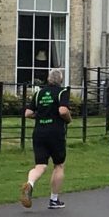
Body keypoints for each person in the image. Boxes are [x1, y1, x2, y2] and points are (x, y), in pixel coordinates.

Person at [20, 68, 71, 209]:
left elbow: (28, 113)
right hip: (55, 133)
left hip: (39, 132)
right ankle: (54, 200)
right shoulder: (62, 92)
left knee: (40, 166)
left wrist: (40, 116)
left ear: (48, 79)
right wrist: (68, 119)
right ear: (61, 80)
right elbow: (63, 111)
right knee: (59, 165)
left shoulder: (39, 93)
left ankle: (30, 183)